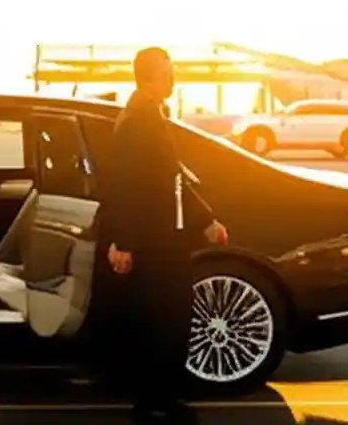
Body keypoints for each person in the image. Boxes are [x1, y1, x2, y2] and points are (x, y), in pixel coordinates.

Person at [92, 47, 228, 422]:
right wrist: (123, 242)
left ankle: (158, 397)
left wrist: (204, 219)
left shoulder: (153, 114)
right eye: (168, 74)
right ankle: (155, 401)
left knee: (167, 318)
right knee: (161, 320)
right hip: (153, 239)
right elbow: (125, 185)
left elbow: (173, 175)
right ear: (148, 77)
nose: (173, 80)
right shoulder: (136, 121)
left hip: (166, 236)